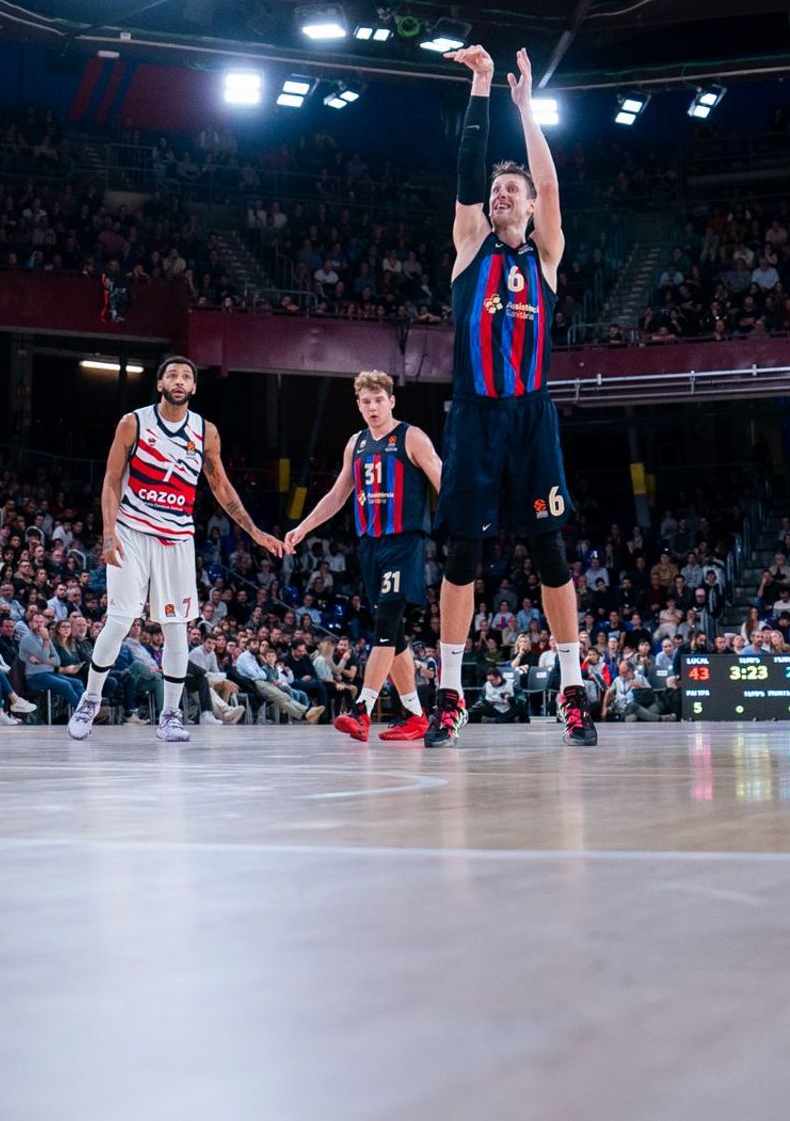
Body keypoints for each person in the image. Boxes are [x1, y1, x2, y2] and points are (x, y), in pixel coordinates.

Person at [422, 46, 596, 749]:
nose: (501, 195)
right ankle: (449, 694)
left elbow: (549, 184)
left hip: (531, 417)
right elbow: (468, 173)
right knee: (462, 555)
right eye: (497, 191)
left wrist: (525, 111)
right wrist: (483, 87)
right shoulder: (471, 245)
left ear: (528, 205)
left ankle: (574, 690)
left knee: (550, 551)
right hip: (474, 416)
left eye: (511, 190)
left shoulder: (544, 255)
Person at [65, 357, 282, 742]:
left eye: (186, 377)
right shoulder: (133, 422)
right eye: (172, 375)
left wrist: (253, 530)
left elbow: (221, 486)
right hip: (132, 531)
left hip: (176, 537)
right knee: (120, 620)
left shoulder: (206, 431)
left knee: (176, 628)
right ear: (160, 383)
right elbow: (111, 480)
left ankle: (170, 716)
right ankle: (90, 700)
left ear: (194, 387)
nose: (179, 381)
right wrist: (109, 532)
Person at [279, 368, 443, 741]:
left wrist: (464, 525)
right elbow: (338, 494)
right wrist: (304, 527)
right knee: (394, 634)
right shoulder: (356, 443)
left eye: (379, 400)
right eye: (366, 401)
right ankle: (417, 716)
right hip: (370, 545)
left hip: (404, 542)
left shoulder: (411, 437)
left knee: (386, 623)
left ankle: (361, 710)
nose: (373, 407)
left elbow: (442, 480)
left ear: (392, 401)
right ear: (358, 404)